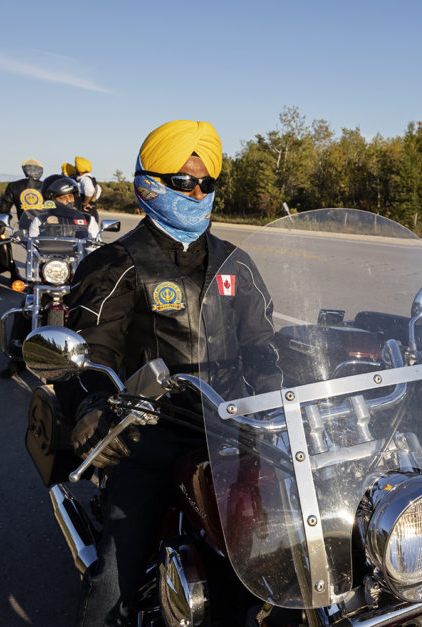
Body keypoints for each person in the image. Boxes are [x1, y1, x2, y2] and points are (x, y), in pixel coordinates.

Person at [58, 120, 281, 624]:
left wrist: (283, 396)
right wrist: (93, 404)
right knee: (115, 576)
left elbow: (263, 346)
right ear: (148, 185)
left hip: (232, 431)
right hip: (151, 434)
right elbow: (90, 353)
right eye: (184, 182)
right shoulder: (115, 264)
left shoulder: (236, 263)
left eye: (207, 183)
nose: (198, 193)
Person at [0, 175, 100, 379]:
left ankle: (97, 357)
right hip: (49, 272)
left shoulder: (87, 219)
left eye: (71, 196)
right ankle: (17, 355)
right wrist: (19, 237)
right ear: (52, 199)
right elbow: (33, 244)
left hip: (76, 274)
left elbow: (94, 243)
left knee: (95, 308)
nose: (68, 201)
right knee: (27, 306)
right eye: (63, 198)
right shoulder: (40, 219)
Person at [74, 156, 102, 222]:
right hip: (92, 210)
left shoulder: (85, 179)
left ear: (79, 170)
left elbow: (89, 191)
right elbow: (99, 190)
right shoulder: (91, 178)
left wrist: (85, 203)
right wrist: (92, 202)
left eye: (76, 167)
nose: (75, 169)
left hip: (86, 212)